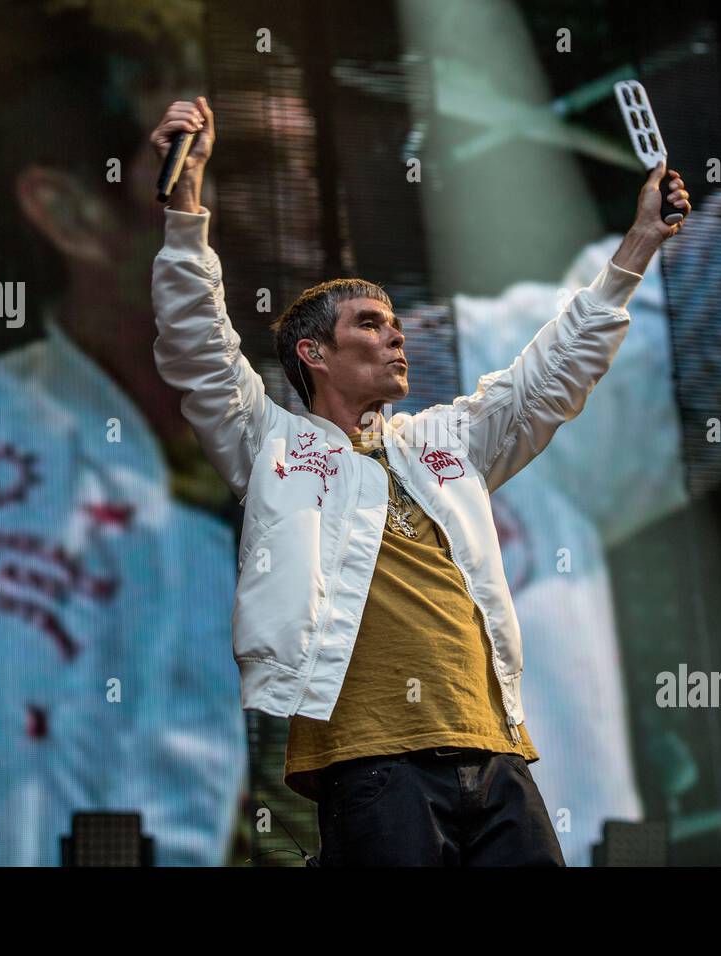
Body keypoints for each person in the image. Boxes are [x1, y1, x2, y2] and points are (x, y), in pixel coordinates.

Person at [150, 94, 691, 865]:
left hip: (496, 750)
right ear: (314, 355)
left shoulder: (443, 442)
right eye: (368, 323)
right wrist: (184, 207)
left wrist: (638, 244)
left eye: (395, 319)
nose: (394, 332)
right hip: (370, 762)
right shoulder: (272, 445)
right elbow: (200, 347)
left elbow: (553, 371)